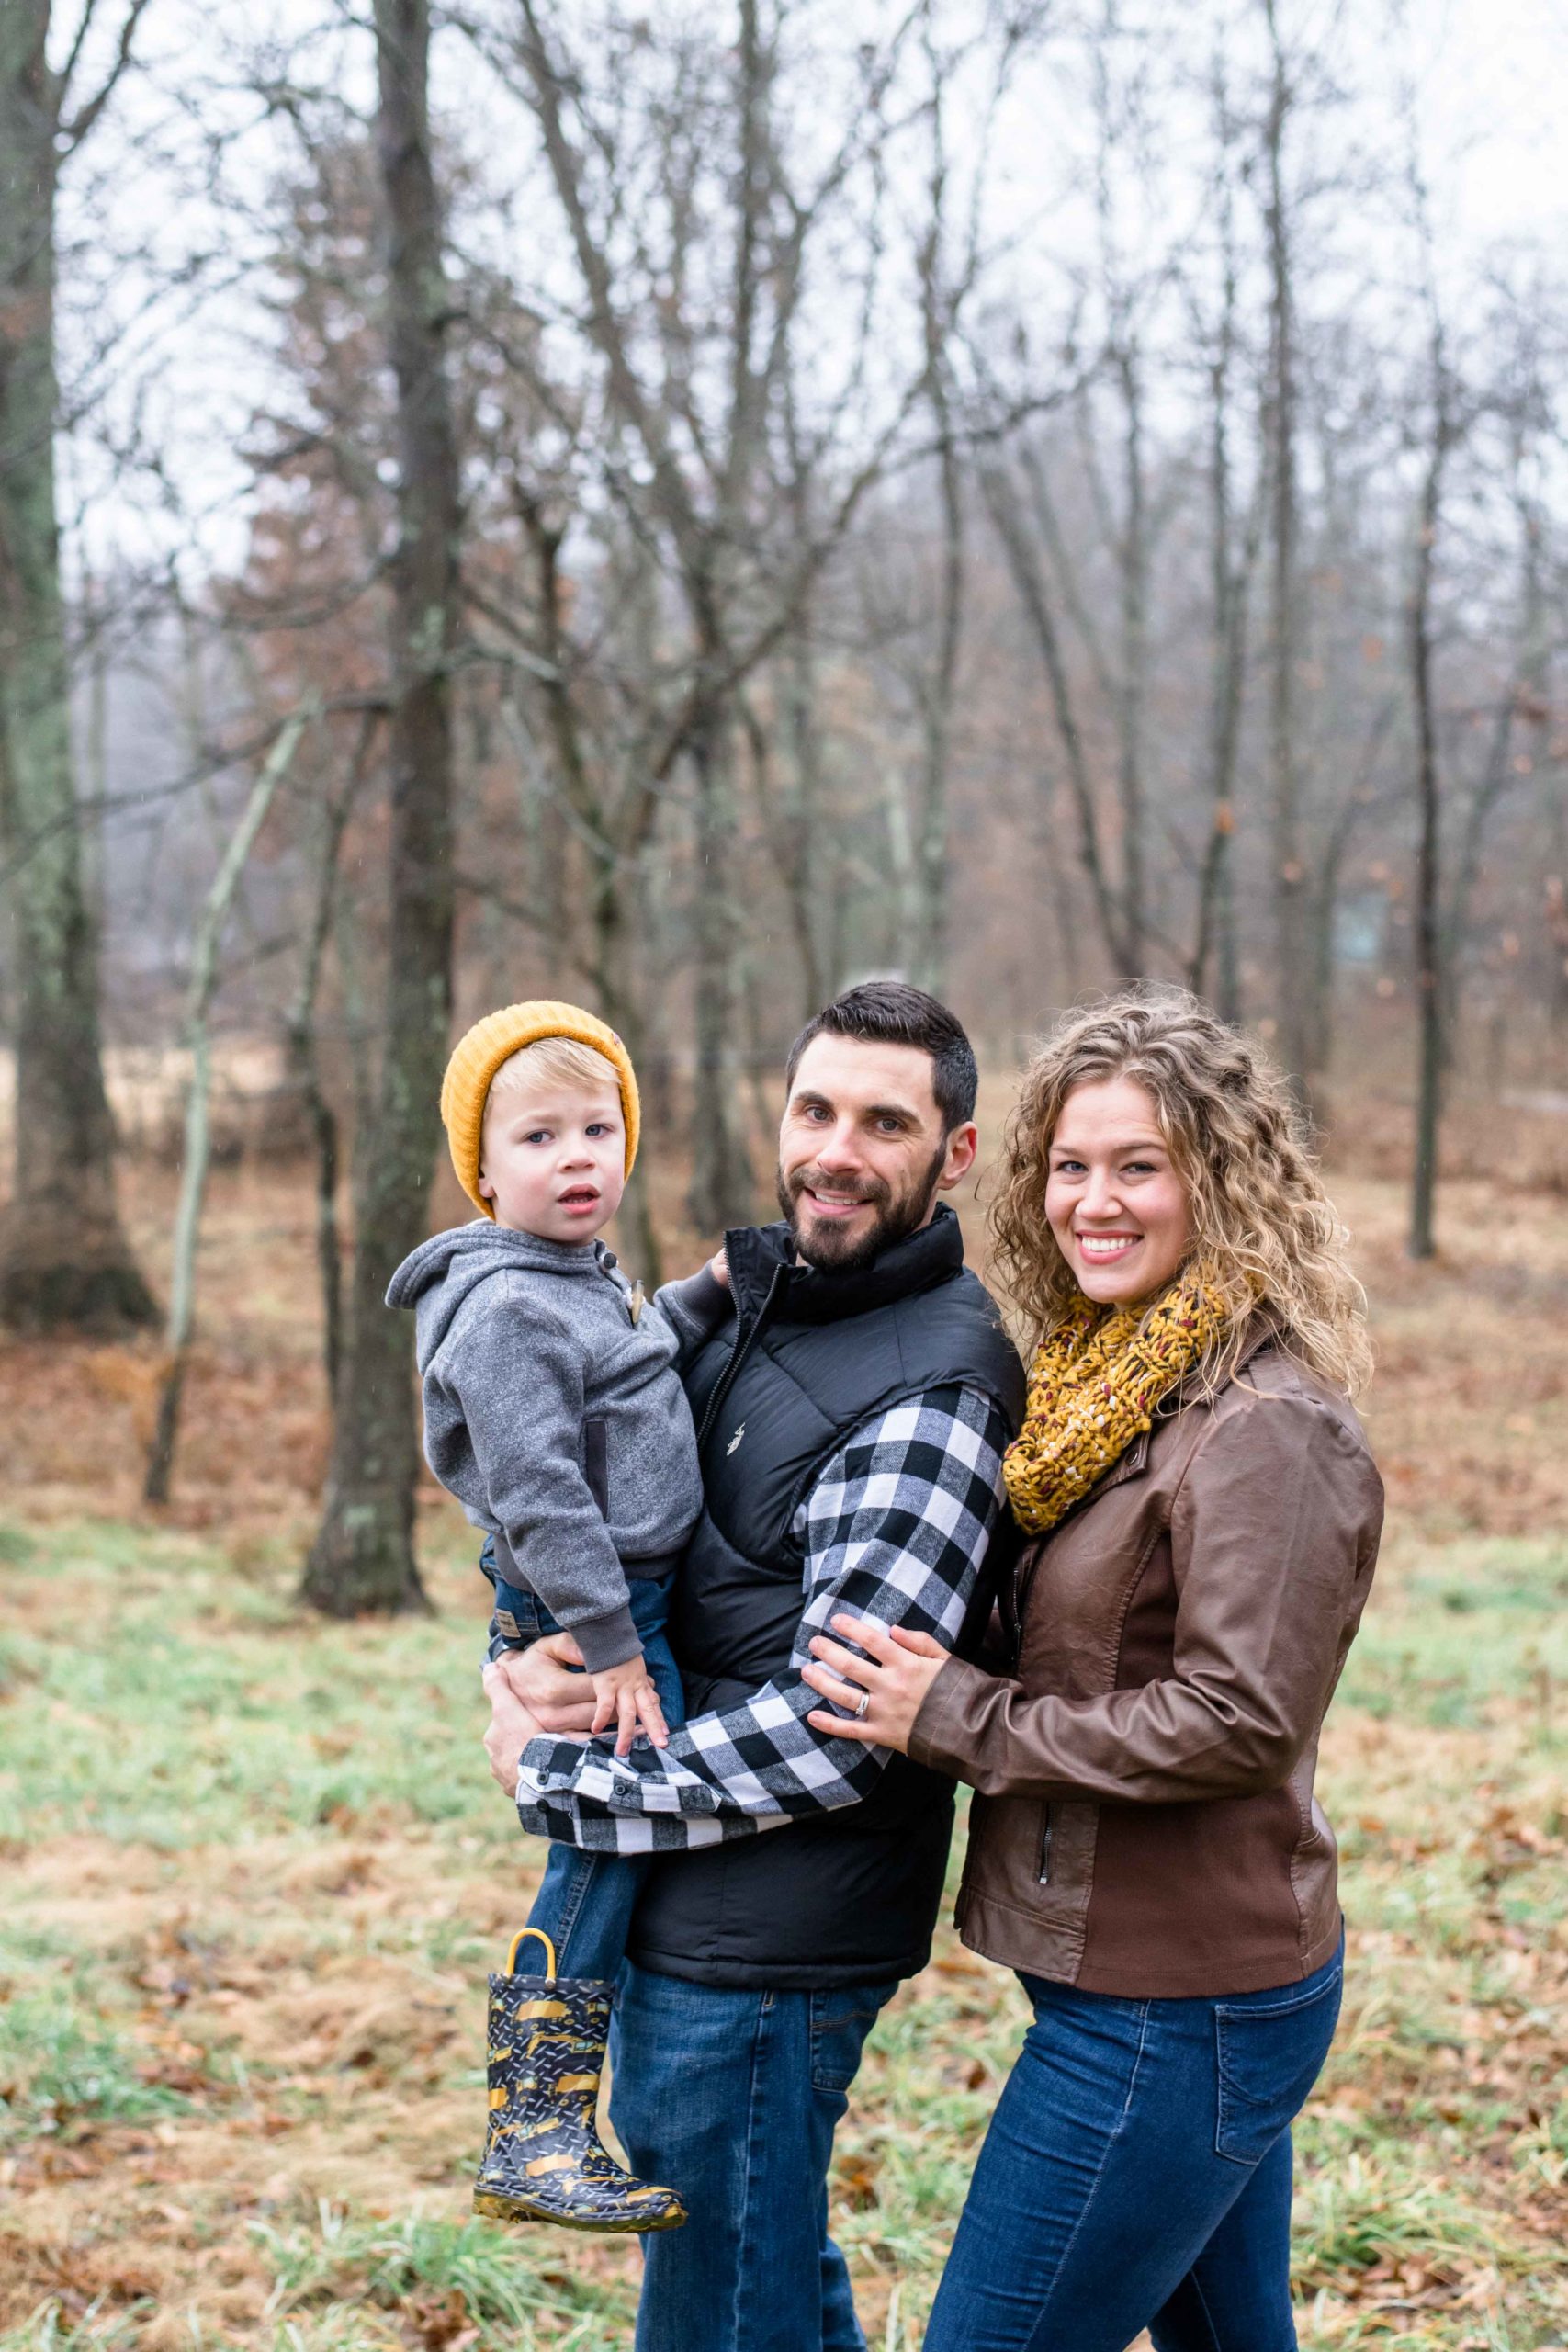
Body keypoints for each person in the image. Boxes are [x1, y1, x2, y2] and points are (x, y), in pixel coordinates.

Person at [798, 986, 1384, 2352]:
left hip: (1177, 2010)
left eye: (1140, 1167)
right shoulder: (1103, 1384)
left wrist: (951, 1711)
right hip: (1144, 1986)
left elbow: (1236, 1719)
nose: (1093, 1202)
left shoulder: (1266, 1425)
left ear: (1222, 1181)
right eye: (1071, 1166)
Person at [482, 980, 1025, 2352]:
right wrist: (548, 1663)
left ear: (953, 1154)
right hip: (699, 1896)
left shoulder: (930, 1395)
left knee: (722, 2309)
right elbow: (608, 1511)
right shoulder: (760, 1303)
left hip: (773, 1941)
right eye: (815, 1108)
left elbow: (838, 1732)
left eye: (885, 1123)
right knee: (757, 2266)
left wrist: (567, 1783)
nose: (835, 1149)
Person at [388, 1000, 731, 2234]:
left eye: (598, 1128)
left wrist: (701, 1292)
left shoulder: (572, 1277)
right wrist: (613, 1645)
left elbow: (628, 1365)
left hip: (614, 1598)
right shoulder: (504, 1309)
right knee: (604, 1846)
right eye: (539, 1138)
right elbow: (540, 1491)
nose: (577, 1157)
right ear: (482, 1171)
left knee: (619, 1846)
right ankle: (533, 2130)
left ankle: (566, 2114)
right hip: (597, 1604)